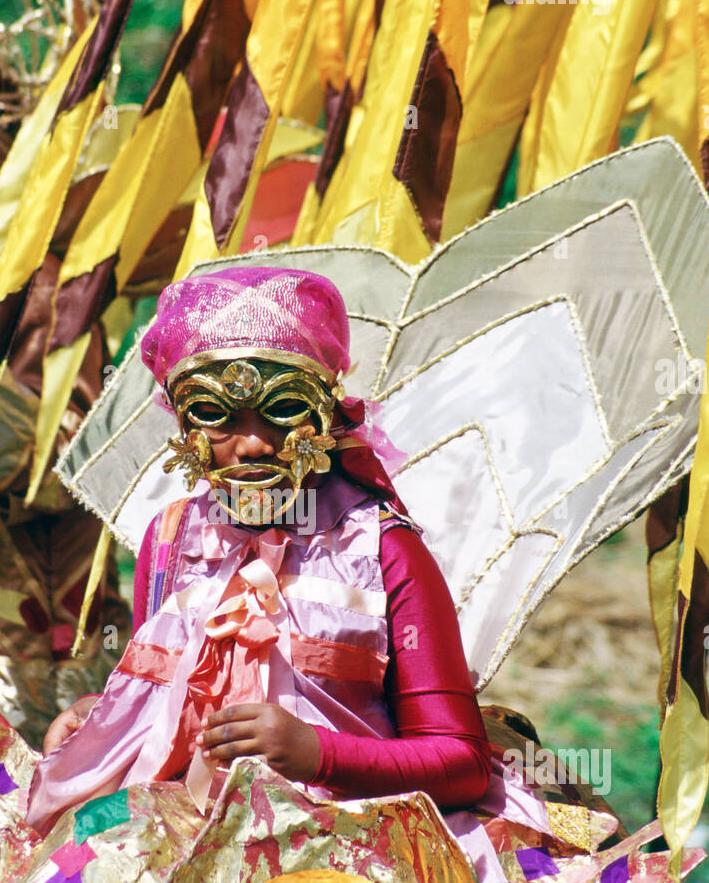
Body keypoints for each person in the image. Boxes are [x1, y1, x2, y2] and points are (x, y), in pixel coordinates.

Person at [28, 266, 491, 833]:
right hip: (183, 828)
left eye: (282, 410)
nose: (251, 442)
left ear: (326, 410)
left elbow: (463, 764)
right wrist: (108, 717)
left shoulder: (383, 549)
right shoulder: (171, 538)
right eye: (214, 414)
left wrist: (317, 753)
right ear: (180, 421)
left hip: (338, 845)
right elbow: (177, 697)